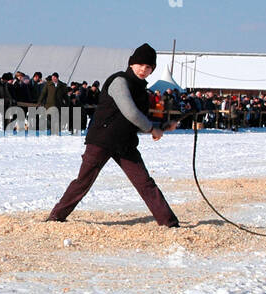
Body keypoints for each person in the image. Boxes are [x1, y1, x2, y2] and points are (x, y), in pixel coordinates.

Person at [46, 44, 180, 227]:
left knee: (145, 183)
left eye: (148, 67)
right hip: (102, 140)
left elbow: (137, 121)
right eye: (140, 64)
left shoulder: (142, 91)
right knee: (83, 182)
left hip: (125, 144)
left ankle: (169, 223)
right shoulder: (119, 80)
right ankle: (56, 217)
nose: (144, 69)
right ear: (131, 64)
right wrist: (151, 129)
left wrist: (161, 126)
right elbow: (130, 113)